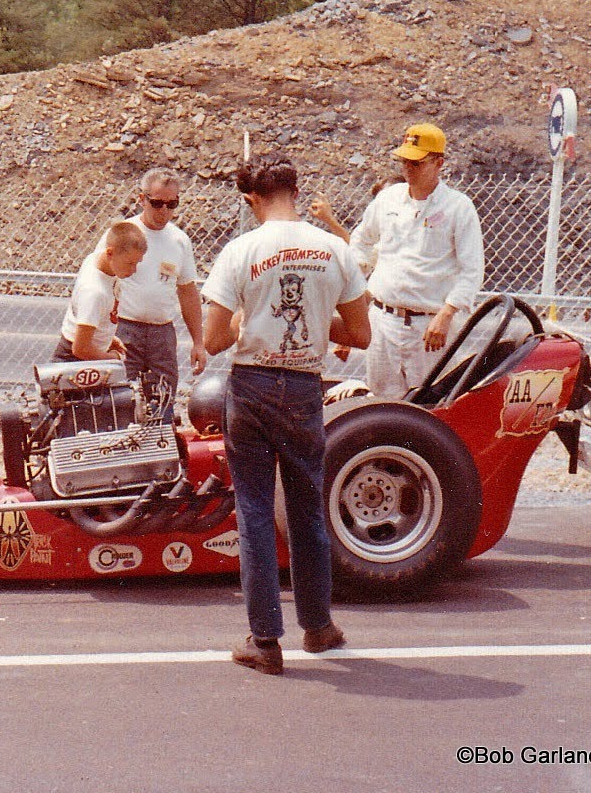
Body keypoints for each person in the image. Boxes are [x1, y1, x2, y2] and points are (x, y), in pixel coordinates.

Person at [201, 156, 371, 676]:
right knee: (305, 506)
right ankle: (318, 626)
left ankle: (264, 640)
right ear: (296, 192)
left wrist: (246, 316)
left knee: (254, 509)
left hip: (251, 384)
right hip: (303, 386)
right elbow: (360, 335)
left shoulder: (241, 251)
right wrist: (317, 323)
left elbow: (213, 340)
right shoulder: (334, 249)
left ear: (253, 200)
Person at [312, 124, 484, 397]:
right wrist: (356, 279)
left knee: (429, 401)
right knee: (382, 400)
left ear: (439, 163)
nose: (408, 168)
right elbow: (361, 241)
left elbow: (471, 270)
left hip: (429, 325)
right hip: (384, 320)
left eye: (416, 162)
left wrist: (447, 313)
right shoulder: (388, 199)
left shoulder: (458, 207)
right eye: (404, 161)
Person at [99, 168, 208, 420]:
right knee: (119, 400)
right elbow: (100, 277)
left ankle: (161, 452)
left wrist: (198, 342)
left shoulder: (179, 240)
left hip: (161, 333)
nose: (164, 211)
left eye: (172, 204)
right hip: (124, 330)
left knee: (164, 400)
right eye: (157, 203)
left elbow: (188, 291)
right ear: (142, 199)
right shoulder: (122, 233)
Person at [51, 221, 147, 363]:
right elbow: (80, 349)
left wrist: (106, 337)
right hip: (74, 361)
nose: (134, 270)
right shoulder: (94, 292)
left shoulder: (96, 260)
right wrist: (114, 358)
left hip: (88, 351)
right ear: (110, 253)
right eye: (130, 263)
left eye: (137, 263)